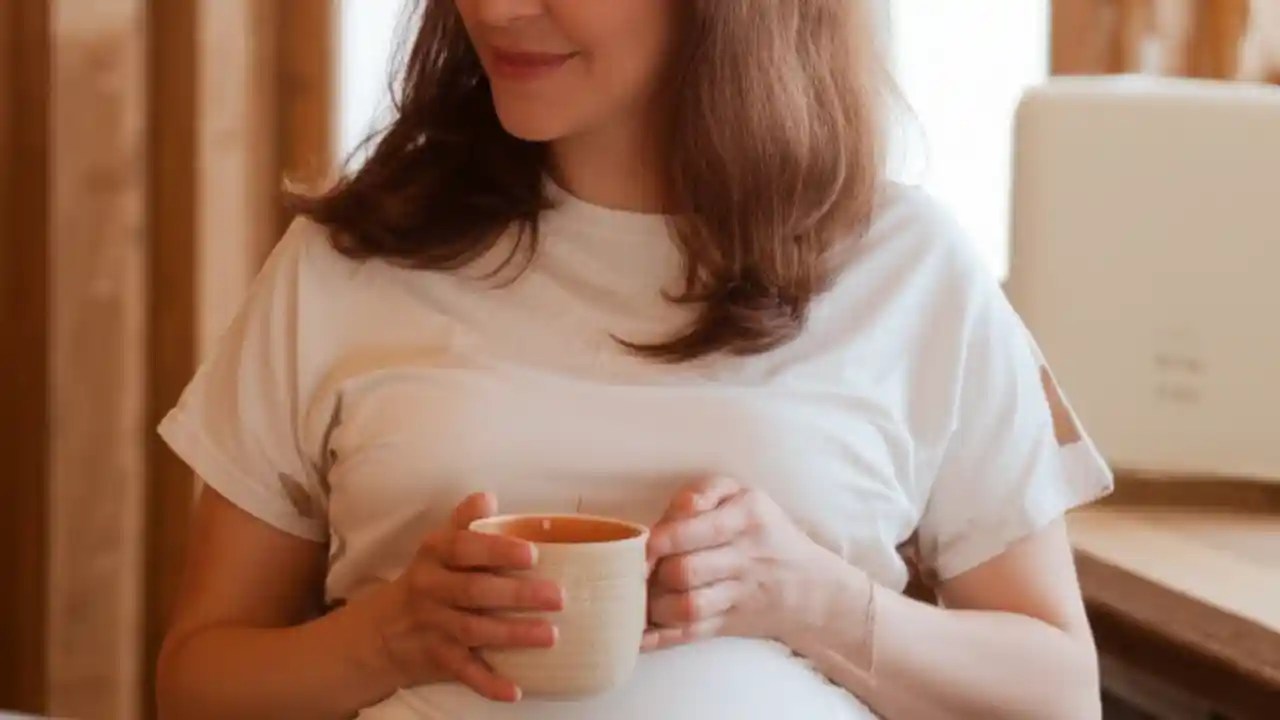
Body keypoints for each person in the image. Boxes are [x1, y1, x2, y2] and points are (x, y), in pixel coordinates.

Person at [154, 1, 1114, 718]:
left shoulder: (908, 267)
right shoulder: (350, 260)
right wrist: (390, 637)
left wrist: (815, 601)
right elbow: (197, 682)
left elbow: (1058, 692)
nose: (494, 6)